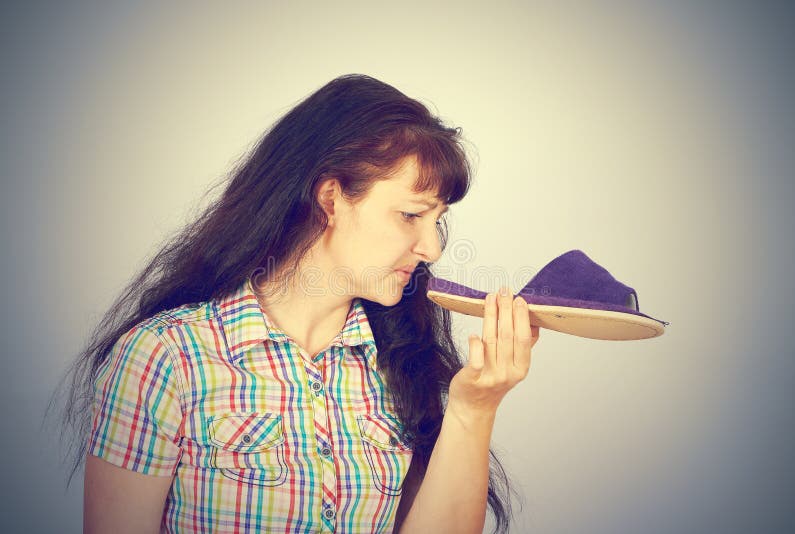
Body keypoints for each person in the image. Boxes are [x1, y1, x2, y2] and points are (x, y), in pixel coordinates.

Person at [63, 73, 540, 533]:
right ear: (330, 199)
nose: (432, 248)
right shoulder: (164, 357)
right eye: (412, 215)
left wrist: (473, 408)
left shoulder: (401, 361)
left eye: (436, 220)